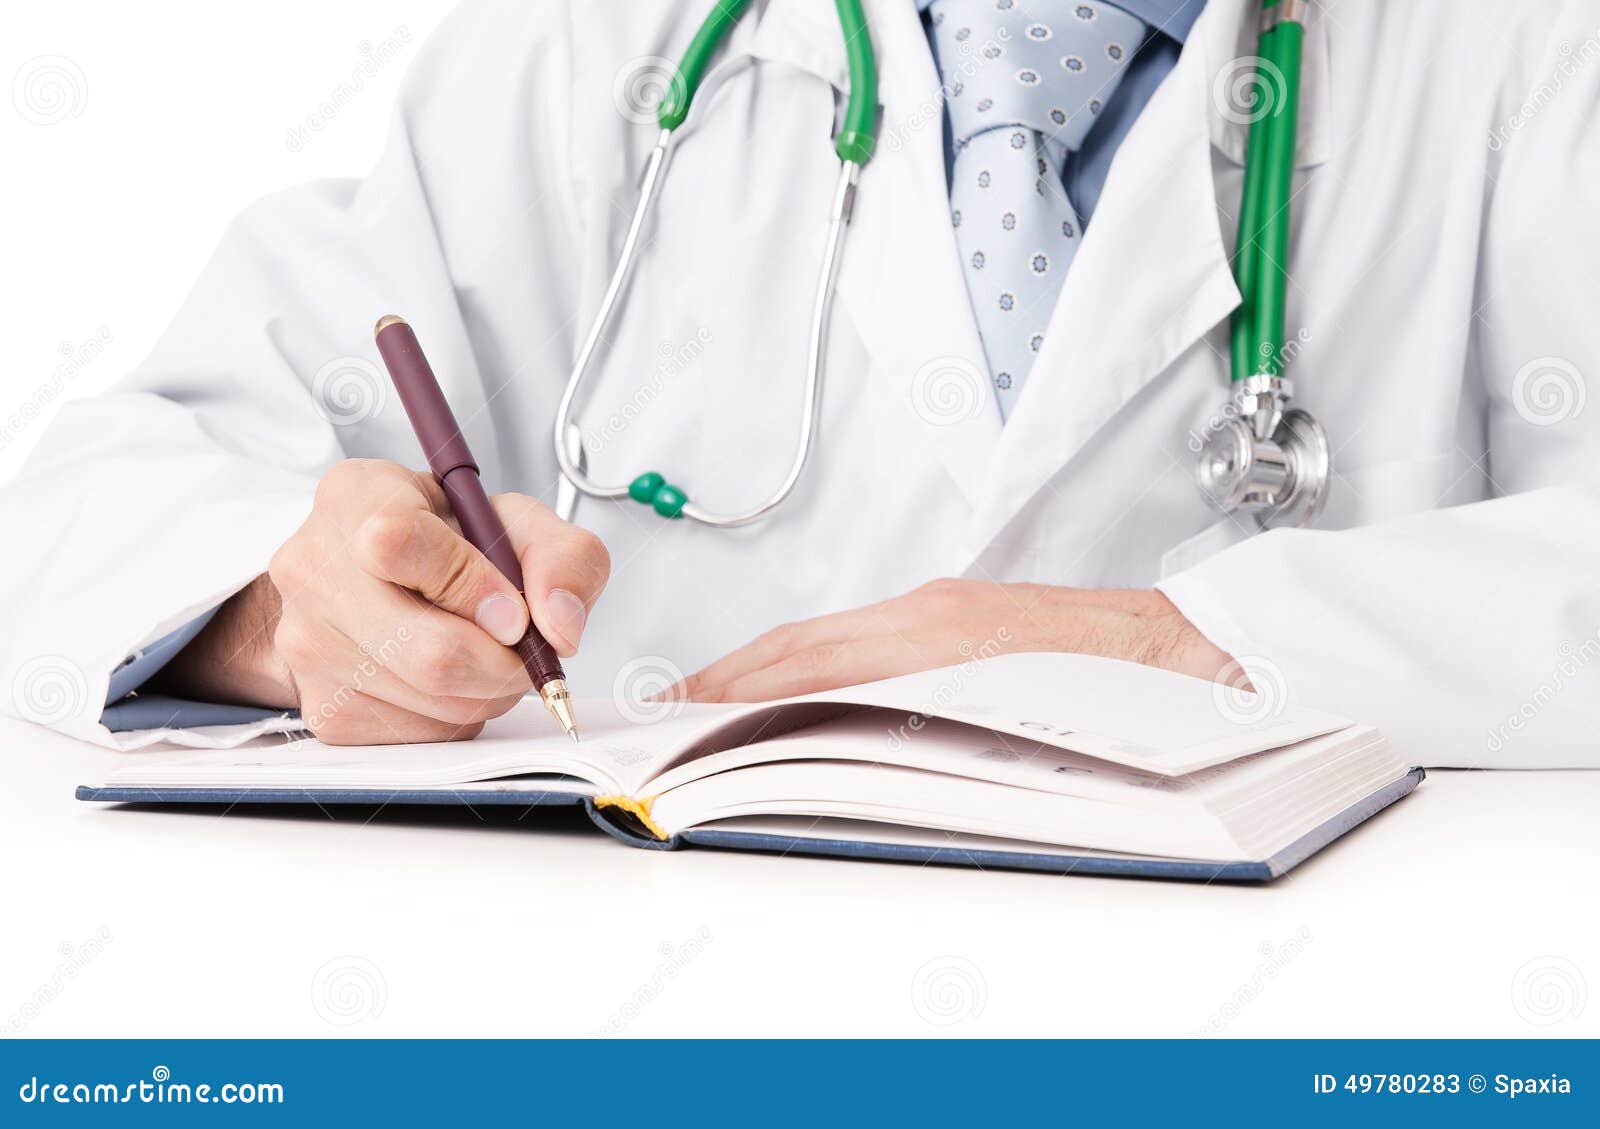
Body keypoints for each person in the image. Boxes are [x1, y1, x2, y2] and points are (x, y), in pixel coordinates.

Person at [2, 0, 1597, 767]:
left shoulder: (1527, 52)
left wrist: (1179, 642)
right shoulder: (596, 48)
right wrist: (290, 617)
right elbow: (78, 512)